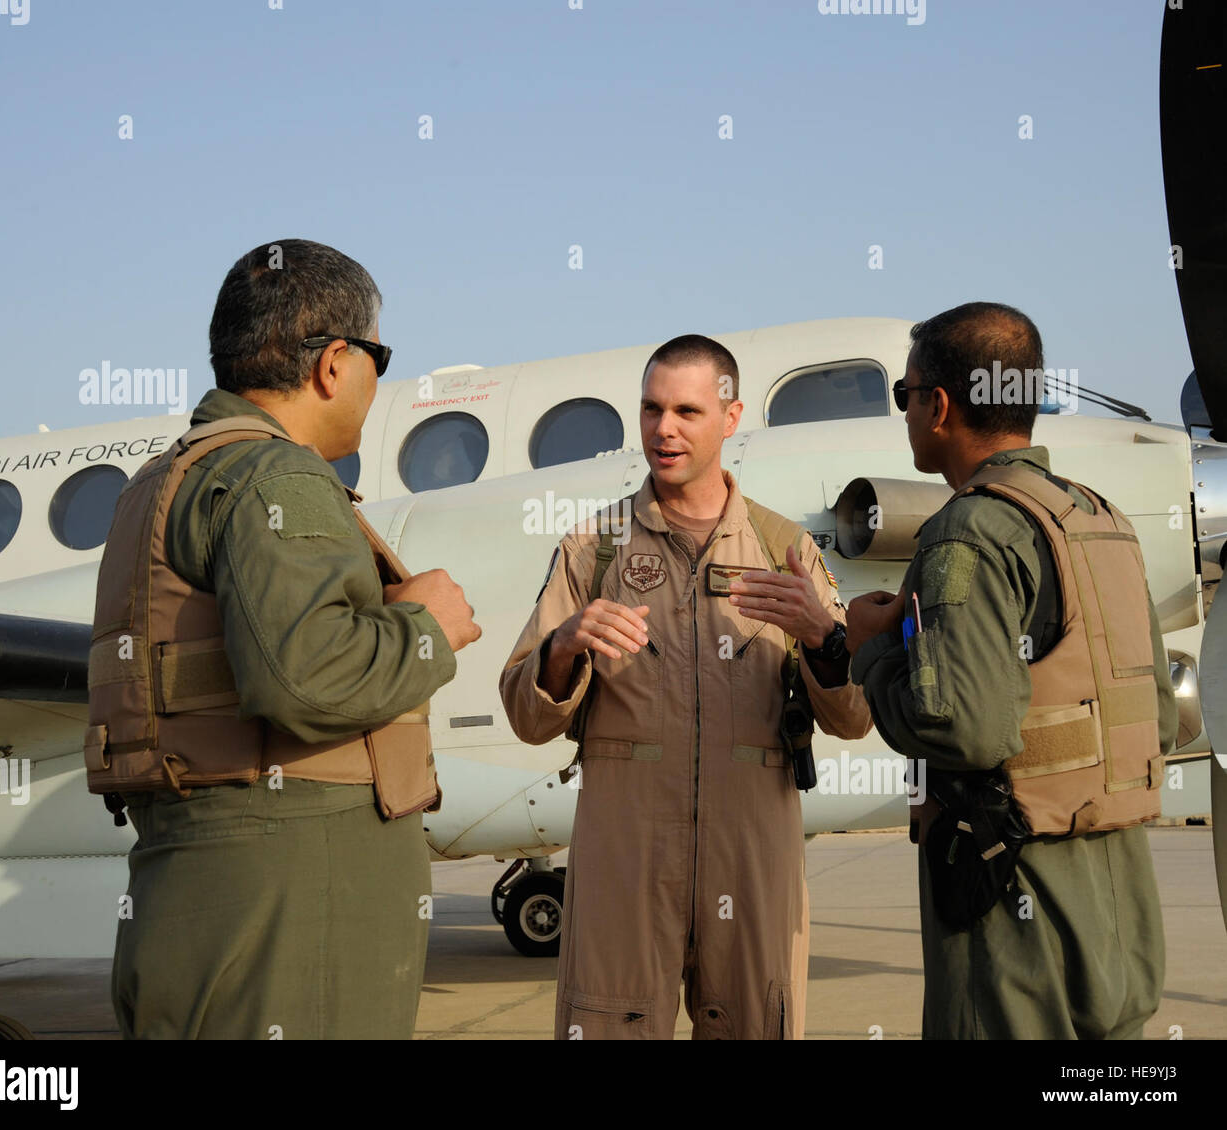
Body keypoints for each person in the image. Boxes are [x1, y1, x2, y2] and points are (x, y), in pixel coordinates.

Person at [83, 238, 480, 1039]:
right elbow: (304, 679)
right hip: (296, 897)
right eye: (377, 355)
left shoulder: (161, 483)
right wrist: (427, 628)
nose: (377, 379)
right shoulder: (279, 477)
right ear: (334, 362)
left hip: (206, 883)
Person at [499, 334, 873, 1039]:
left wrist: (824, 637)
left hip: (751, 854)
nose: (662, 429)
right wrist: (564, 644)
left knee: (757, 1024)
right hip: (627, 857)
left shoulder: (784, 550)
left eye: (686, 411)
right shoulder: (594, 547)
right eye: (650, 409)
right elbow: (528, 714)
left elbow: (853, 718)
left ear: (730, 420)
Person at [846, 301, 1173, 1039]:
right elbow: (1159, 707)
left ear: (938, 405)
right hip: (1120, 907)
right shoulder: (1100, 519)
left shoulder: (968, 529)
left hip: (1015, 909)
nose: (904, 414)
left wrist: (869, 648)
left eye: (906, 396)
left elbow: (960, 728)